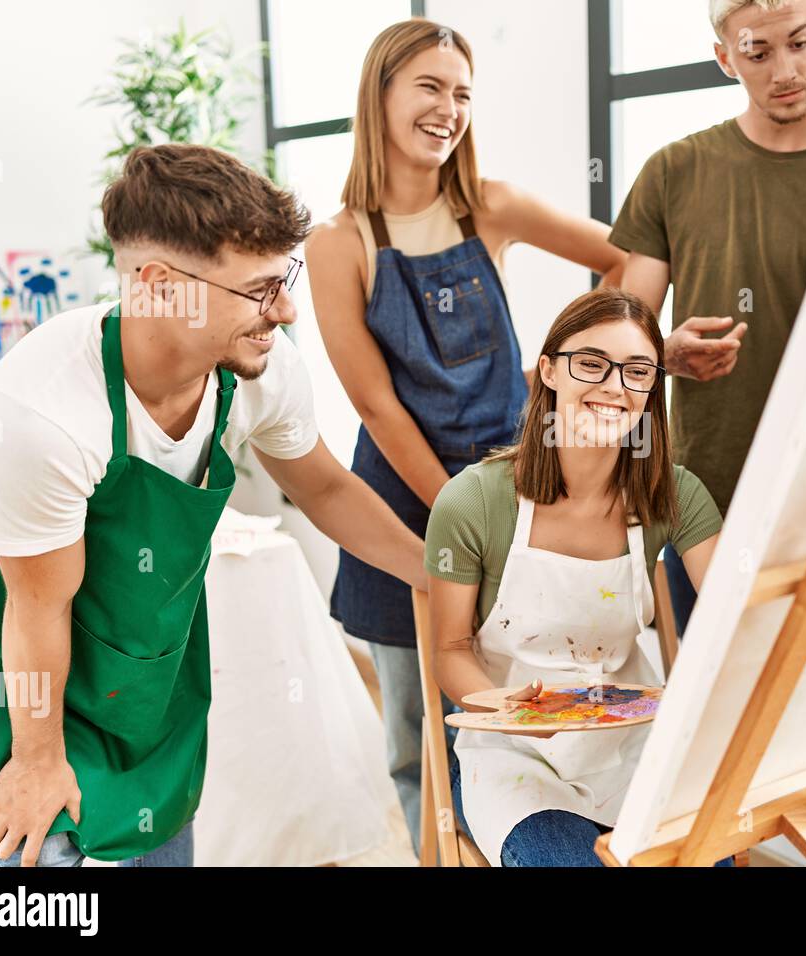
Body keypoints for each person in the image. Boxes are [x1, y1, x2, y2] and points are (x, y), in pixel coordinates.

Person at [0, 143, 427, 867]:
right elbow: (36, 609)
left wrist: (434, 572)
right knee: (44, 861)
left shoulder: (260, 372)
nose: (287, 309)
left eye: (283, 278)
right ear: (161, 285)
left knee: (155, 831)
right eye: (261, 288)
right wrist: (38, 763)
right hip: (20, 645)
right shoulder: (44, 412)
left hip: (143, 656)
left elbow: (324, 487)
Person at [304, 18, 627, 857]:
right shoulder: (339, 244)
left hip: (511, 492)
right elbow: (376, 406)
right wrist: (457, 520)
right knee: (420, 737)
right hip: (402, 508)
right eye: (429, 88)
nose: (449, 109)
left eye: (462, 94)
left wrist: (557, 372)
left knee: (515, 719)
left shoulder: (492, 206)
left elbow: (625, 263)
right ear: (379, 94)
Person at [616, 0, 806, 642]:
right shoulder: (673, 172)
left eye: (800, 43)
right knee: (707, 710)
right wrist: (664, 352)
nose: (785, 70)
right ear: (725, 58)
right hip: (703, 498)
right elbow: (620, 341)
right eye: (758, 53)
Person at [423, 288, 731, 867]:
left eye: (637, 371)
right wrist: (506, 707)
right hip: (514, 756)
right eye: (592, 363)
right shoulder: (474, 501)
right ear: (549, 371)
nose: (615, 387)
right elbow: (448, 649)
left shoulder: (675, 494)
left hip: (634, 748)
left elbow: (736, 615)